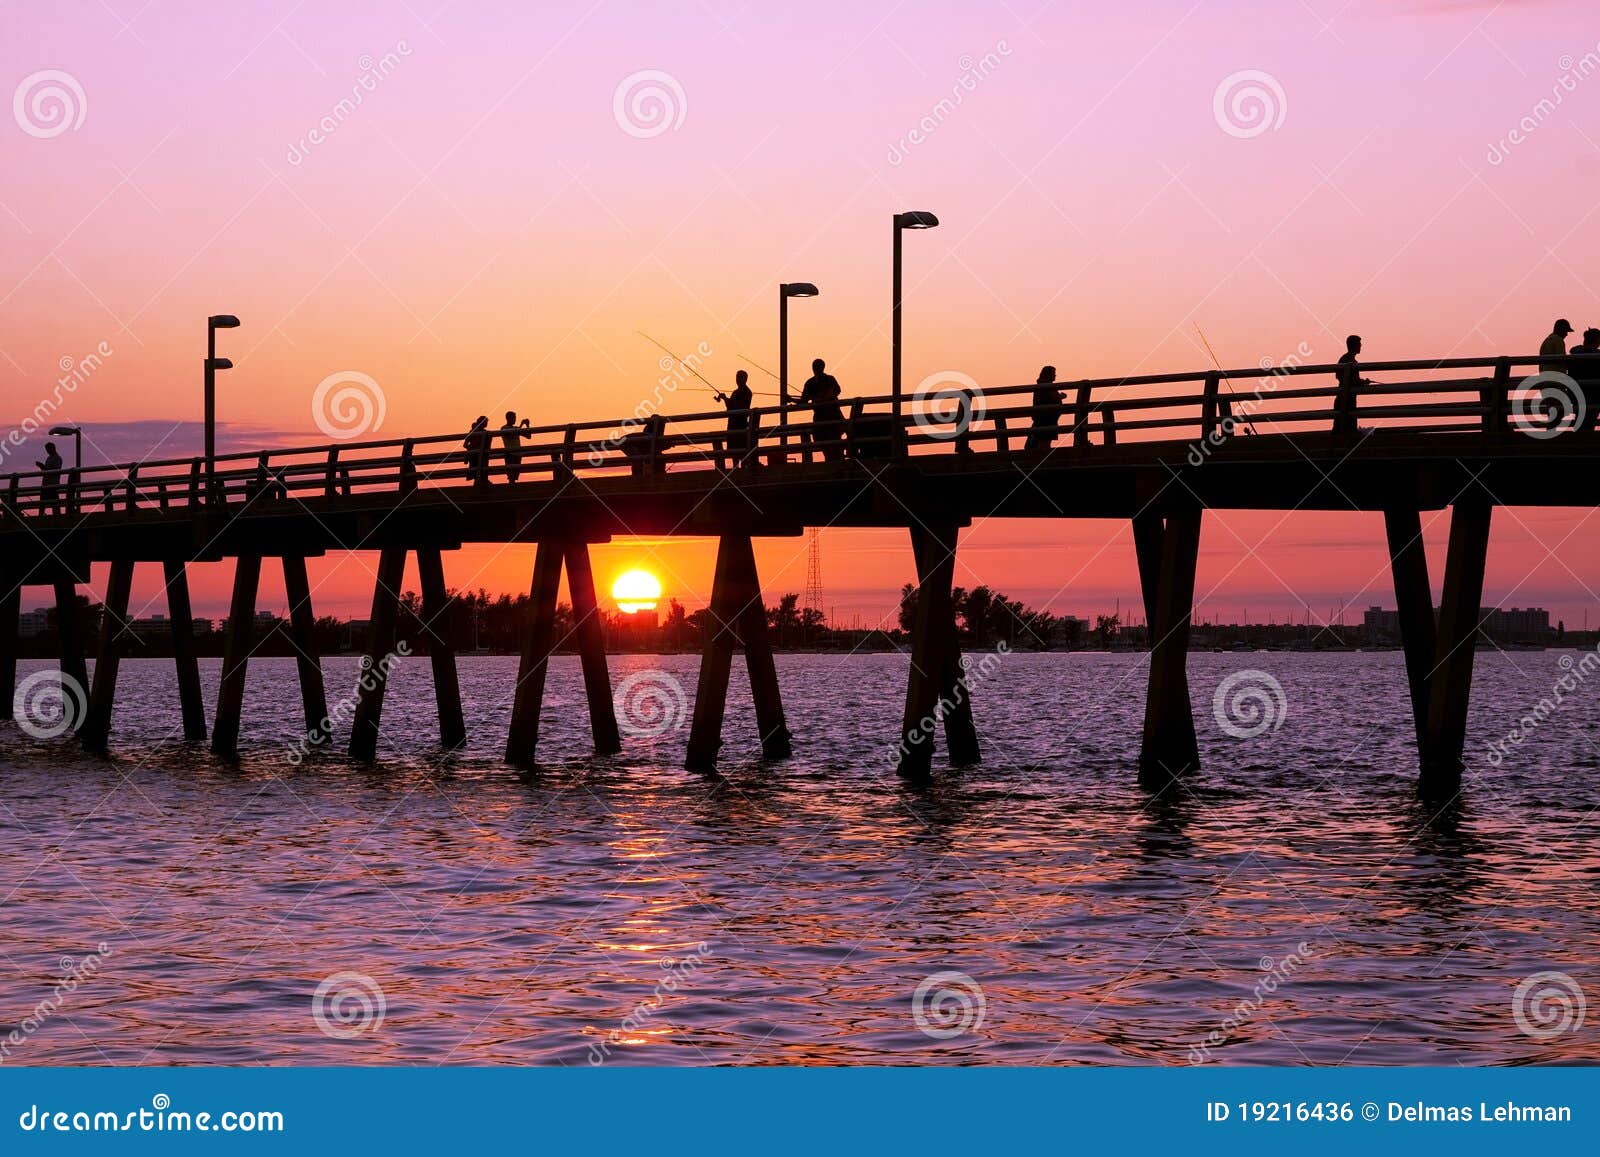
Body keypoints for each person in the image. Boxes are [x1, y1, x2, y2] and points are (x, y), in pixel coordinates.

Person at [800, 358, 846, 462]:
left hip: (830, 417)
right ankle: (834, 461)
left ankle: (836, 461)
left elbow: (837, 390)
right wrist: (792, 399)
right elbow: (804, 400)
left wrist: (824, 398)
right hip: (825, 418)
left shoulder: (820, 381)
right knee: (827, 444)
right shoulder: (812, 382)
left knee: (832, 443)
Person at [1334, 335, 1371, 436]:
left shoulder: (1343, 359)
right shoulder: (1351, 361)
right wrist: (1363, 382)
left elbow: (1338, 375)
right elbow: (1354, 381)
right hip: (1348, 398)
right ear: (1354, 345)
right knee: (1349, 428)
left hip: (1342, 397)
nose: (1361, 346)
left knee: (1339, 427)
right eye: (1359, 344)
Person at [1565, 327, 1600, 432]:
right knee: (1589, 421)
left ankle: (1579, 442)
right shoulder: (1596, 356)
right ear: (1597, 341)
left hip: (1576, 394)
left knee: (1581, 421)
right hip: (1593, 395)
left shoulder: (1575, 354)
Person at [1024, 365, 1060, 450]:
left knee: (1042, 441)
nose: (1055, 375)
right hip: (1046, 418)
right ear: (1047, 375)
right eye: (1053, 374)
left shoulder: (1041, 385)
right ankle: (1043, 459)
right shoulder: (1046, 386)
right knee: (1044, 442)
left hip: (1044, 418)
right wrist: (1060, 397)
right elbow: (1052, 397)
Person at [723, 370, 754, 466]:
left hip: (740, 425)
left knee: (741, 453)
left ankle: (742, 471)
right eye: (737, 377)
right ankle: (735, 470)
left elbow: (740, 407)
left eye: (740, 377)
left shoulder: (747, 392)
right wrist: (725, 399)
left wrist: (726, 400)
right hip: (732, 425)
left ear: (746, 379)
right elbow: (730, 408)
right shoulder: (735, 392)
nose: (738, 379)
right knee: (734, 453)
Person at [500, 411, 529, 483]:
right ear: (508, 418)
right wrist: (521, 425)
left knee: (515, 475)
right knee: (511, 475)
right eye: (513, 418)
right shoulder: (504, 428)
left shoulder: (516, 428)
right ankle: (511, 488)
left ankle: (512, 487)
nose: (515, 419)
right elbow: (513, 432)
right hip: (510, 454)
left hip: (518, 454)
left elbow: (528, 436)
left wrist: (527, 426)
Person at [35, 441, 63, 515]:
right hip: (46, 484)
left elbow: (55, 471)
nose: (47, 451)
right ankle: (41, 517)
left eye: (48, 449)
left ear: (53, 448)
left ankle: (56, 517)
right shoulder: (49, 458)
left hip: (53, 484)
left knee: (54, 504)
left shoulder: (57, 458)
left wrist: (42, 466)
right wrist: (42, 467)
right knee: (43, 504)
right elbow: (46, 470)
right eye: (46, 449)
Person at [464, 415, 490, 488]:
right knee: (478, 471)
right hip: (475, 455)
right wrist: (473, 448)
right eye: (486, 422)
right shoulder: (475, 431)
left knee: (478, 472)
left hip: (477, 455)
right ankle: (480, 485)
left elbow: (465, 444)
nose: (486, 424)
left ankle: (479, 484)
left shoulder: (481, 431)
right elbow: (465, 444)